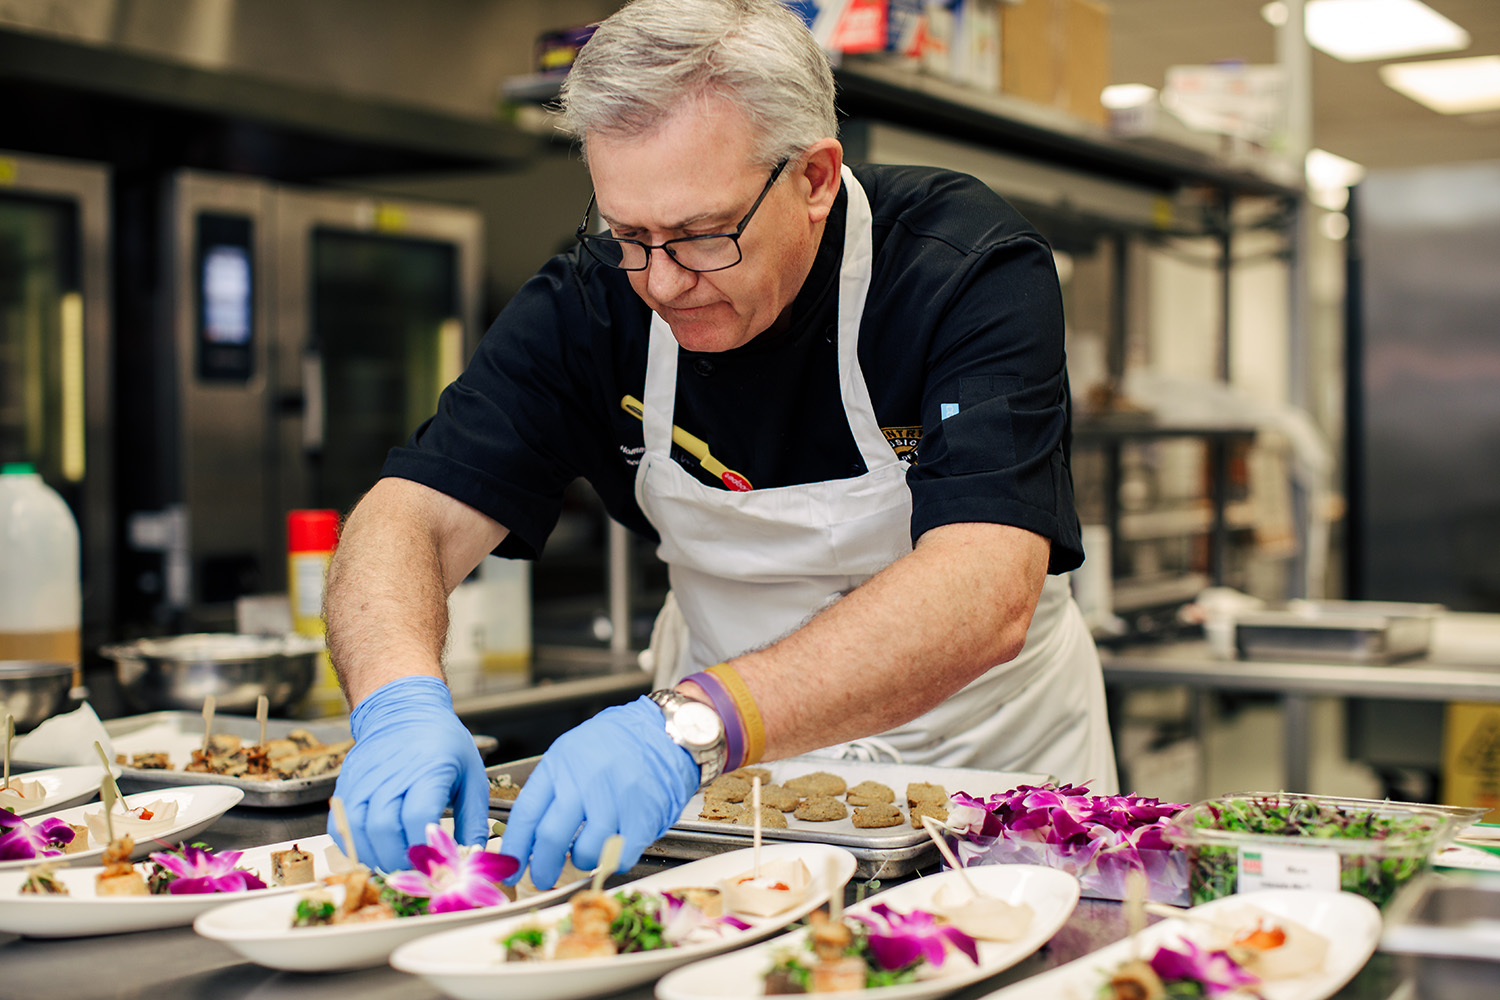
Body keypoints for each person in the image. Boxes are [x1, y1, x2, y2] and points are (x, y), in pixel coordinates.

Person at [323, 0, 1116, 882]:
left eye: (704, 237)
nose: (661, 282)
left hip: (991, 777)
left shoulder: (962, 265)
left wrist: (691, 724)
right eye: (632, 236)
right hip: (729, 797)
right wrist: (397, 699)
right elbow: (410, 514)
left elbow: (985, 586)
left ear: (814, 179)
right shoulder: (593, 300)